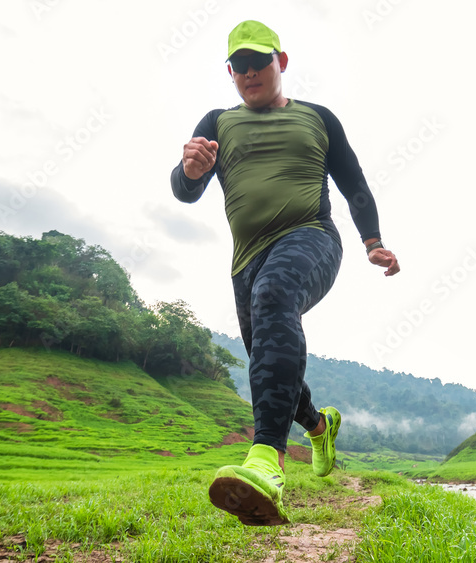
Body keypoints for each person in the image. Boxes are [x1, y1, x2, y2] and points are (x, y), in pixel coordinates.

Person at [170, 20, 400, 526]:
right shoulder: (217, 121)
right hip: (245, 261)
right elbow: (185, 191)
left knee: (275, 297)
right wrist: (188, 171)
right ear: (230, 72)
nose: (250, 73)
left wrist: (373, 242)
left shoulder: (317, 118)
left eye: (260, 63)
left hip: (312, 236)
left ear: (282, 62)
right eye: (240, 67)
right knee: (269, 358)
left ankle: (266, 462)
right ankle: (318, 426)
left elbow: (353, 182)